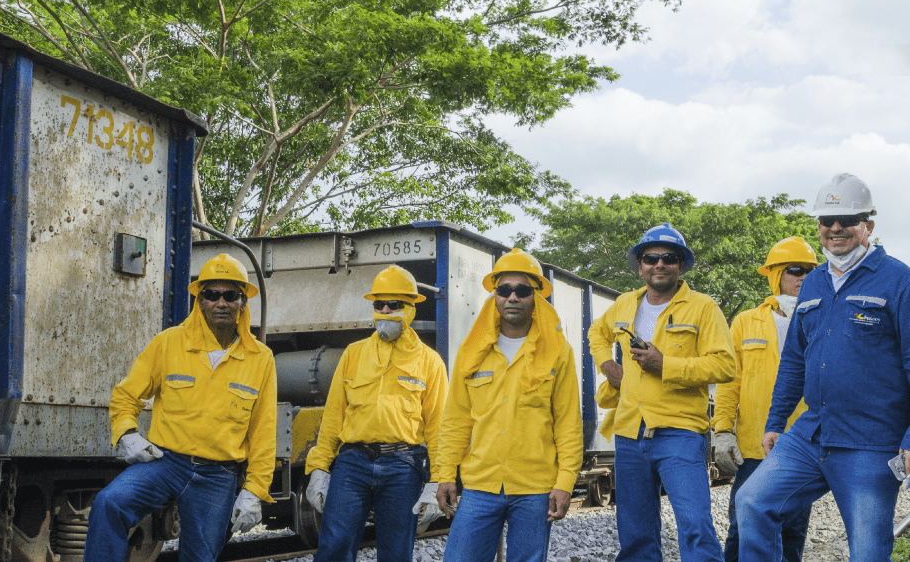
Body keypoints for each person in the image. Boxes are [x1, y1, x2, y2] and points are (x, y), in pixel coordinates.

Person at [736, 173, 910, 562]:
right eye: (826, 221)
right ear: (818, 226)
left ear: (868, 225)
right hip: (812, 432)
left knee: (867, 551)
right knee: (752, 501)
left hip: (871, 440)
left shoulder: (900, 282)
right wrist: (776, 421)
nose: (835, 229)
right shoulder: (813, 283)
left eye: (847, 220)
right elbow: (795, 359)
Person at [88, 254, 278, 562]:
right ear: (200, 300)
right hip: (166, 462)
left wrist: (255, 490)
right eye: (211, 294)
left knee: (200, 557)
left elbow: (263, 432)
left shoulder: (261, 359)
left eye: (230, 295)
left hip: (218, 474)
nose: (221, 302)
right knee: (110, 502)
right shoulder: (169, 343)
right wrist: (127, 433)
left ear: (243, 302)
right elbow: (126, 396)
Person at [589, 223, 736, 562]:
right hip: (629, 432)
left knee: (696, 527)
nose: (659, 264)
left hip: (680, 433)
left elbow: (725, 366)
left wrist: (665, 365)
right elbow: (597, 333)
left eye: (668, 258)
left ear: (680, 265)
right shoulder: (624, 304)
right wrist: (606, 366)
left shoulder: (703, 308)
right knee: (636, 534)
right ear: (640, 266)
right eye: (650, 258)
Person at [434, 249, 583, 562]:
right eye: (504, 290)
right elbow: (456, 419)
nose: (512, 297)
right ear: (495, 297)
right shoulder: (472, 351)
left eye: (522, 290)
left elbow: (568, 422)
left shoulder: (558, 352)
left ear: (536, 297)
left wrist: (565, 483)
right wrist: (445, 474)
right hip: (480, 486)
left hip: (535, 488)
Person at [303, 265, 448, 562]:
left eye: (394, 305)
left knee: (395, 553)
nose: (384, 310)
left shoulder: (429, 362)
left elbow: (437, 427)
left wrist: (437, 480)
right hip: (352, 462)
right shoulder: (353, 354)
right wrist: (318, 467)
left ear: (410, 310)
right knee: (334, 547)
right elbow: (333, 417)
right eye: (378, 304)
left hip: (403, 465)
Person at [711, 236, 817, 562]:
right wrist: (723, 429)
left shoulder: (823, 319)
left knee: (792, 530)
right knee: (742, 528)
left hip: (802, 445)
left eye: (810, 272)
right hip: (754, 445)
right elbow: (730, 381)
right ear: (776, 275)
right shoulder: (746, 321)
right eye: (795, 270)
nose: (803, 277)